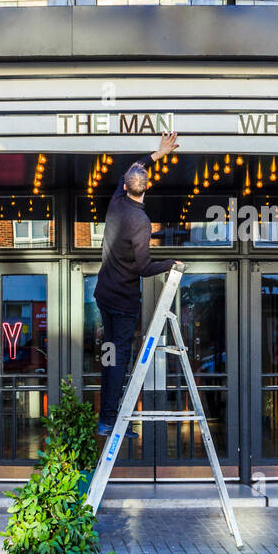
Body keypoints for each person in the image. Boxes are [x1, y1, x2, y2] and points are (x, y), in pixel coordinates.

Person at [94, 132, 184, 439]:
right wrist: (170, 263)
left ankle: (105, 416)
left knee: (110, 355)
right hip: (122, 302)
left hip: (104, 295)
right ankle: (108, 420)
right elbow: (145, 267)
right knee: (119, 358)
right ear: (146, 190)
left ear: (125, 185)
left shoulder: (116, 201)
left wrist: (158, 154)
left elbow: (136, 166)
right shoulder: (140, 221)